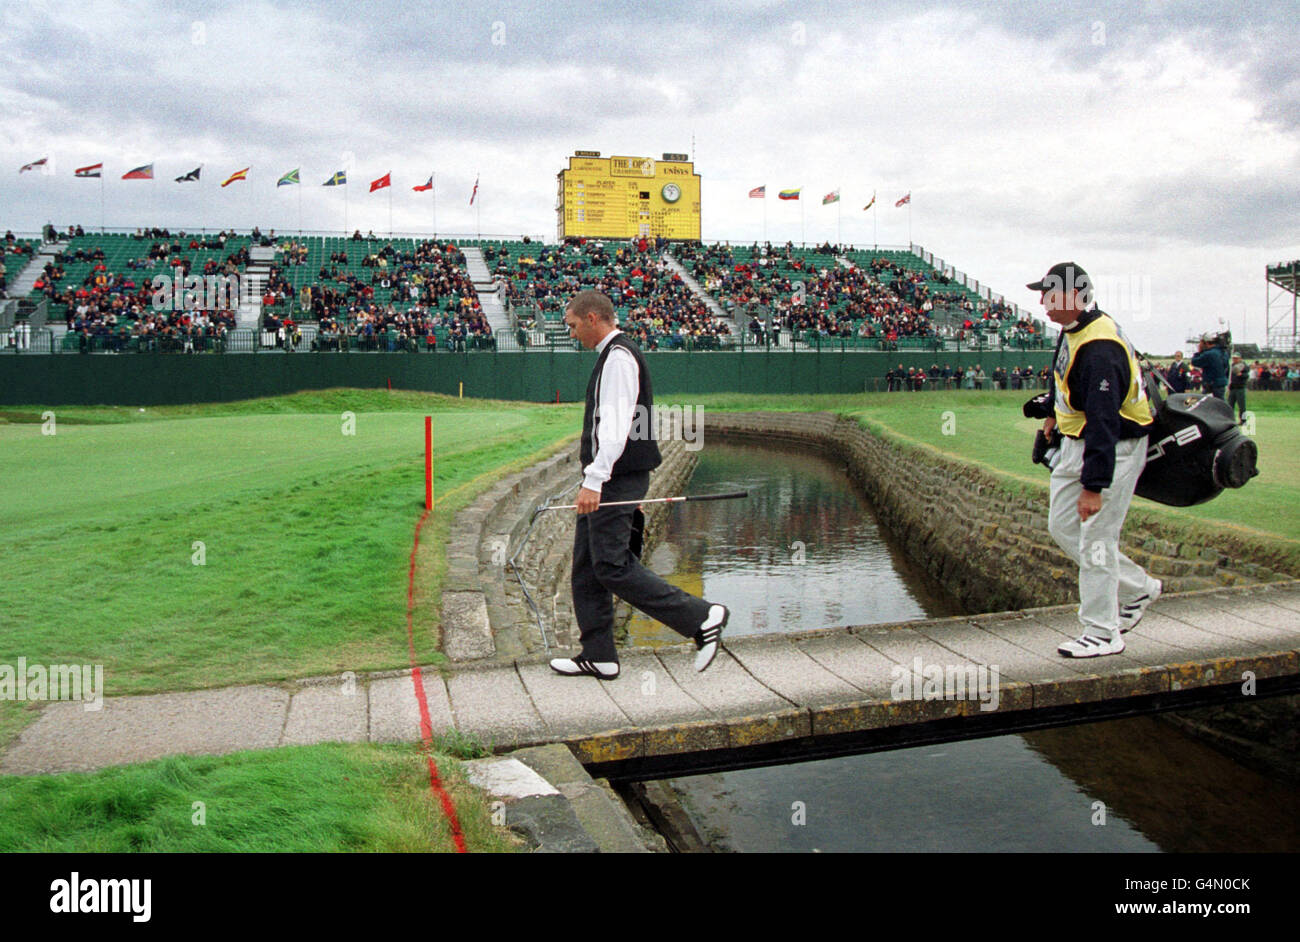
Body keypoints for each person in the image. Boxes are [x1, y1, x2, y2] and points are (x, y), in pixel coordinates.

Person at [550, 290, 729, 680]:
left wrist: (596, 480)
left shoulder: (617, 358)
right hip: (617, 479)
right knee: (587, 566)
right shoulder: (614, 356)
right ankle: (598, 654)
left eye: (574, 324)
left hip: (612, 479)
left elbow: (614, 428)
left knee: (612, 566)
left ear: (593, 318)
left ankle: (702, 618)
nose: (572, 331)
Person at [1024, 262, 1160, 658]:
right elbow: (1062, 376)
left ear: (1073, 295)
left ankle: (1102, 632)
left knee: (1097, 539)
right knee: (1062, 526)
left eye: (1049, 293)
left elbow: (1105, 422)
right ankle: (1138, 588)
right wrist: (1052, 412)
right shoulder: (1073, 329)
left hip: (1110, 447)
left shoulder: (1100, 346)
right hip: (1075, 440)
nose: (1043, 301)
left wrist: (1093, 486)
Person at [1191, 331, 1228, 399]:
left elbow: (1195, 362)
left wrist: (1199, 352)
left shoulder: (1209, 354)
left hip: (1212, 385)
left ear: (1206, 342)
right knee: (1220, 403)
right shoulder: (1223, 352)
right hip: (1220, 383)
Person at [1227, 354, 1249, 424]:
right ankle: (1230, 420)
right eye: (1234, 358)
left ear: (1240, 358)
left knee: (1242, 406)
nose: (1235, 360)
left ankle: (1243, 420)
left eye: (1236, 358)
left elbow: (1246, 375)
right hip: (1232, 387)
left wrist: (1241, 375)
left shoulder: (1244, 366)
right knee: (1230, 405)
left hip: (1240, 388)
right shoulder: (1231, 366)